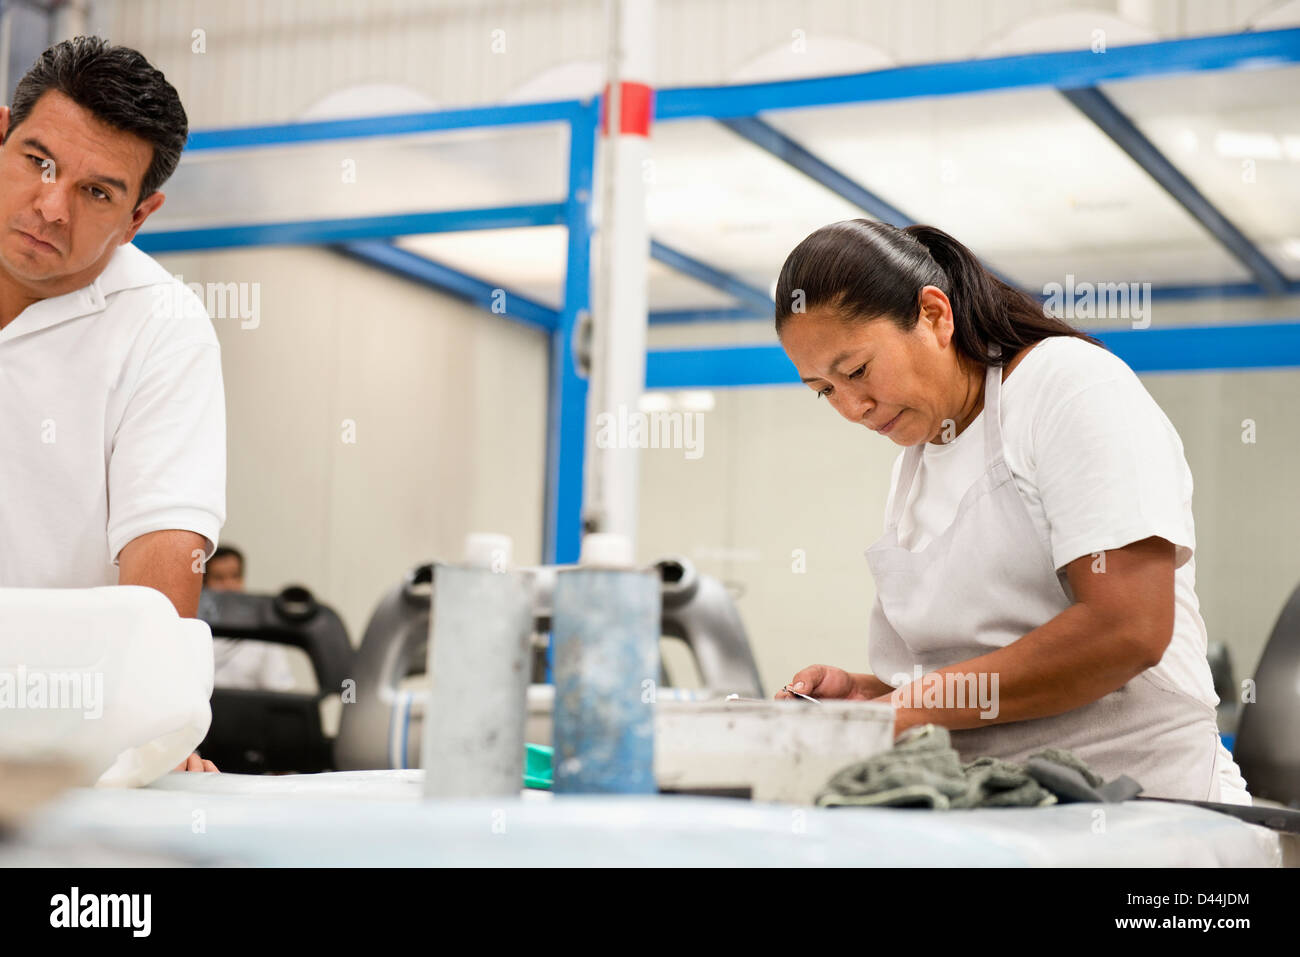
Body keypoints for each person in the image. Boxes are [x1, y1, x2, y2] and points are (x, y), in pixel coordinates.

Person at [773, 219, 1250, 805]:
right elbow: (980, 667)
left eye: (856, 371)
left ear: (934, 315)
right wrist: (871, 697)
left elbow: (1126, 629)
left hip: (1143, 805)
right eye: (824, 390)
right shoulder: (917, 462)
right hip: (1003, 806)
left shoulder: (1068, 387)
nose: (853, 408)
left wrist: (903, 710)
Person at [0, 37, 224, 773]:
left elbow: (161, 562)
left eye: (98, 192)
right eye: (38, 161)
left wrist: (147, 722)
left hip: (53, 733)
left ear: (139, 215)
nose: (51, 207)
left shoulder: (162, 327)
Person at [202, 546, 297, 692]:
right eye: (219, 578)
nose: (229, 585)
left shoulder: (265, 634)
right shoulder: (192, 631)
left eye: (235, 576)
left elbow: (281, 692)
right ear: (205, 583)